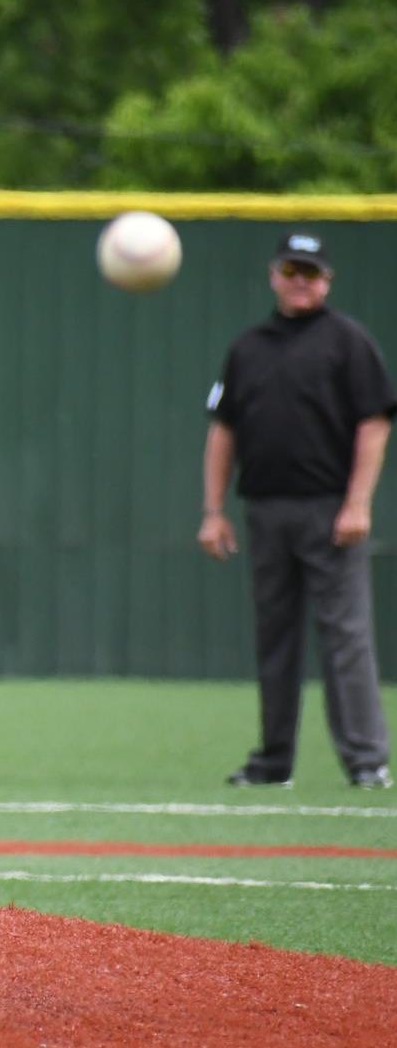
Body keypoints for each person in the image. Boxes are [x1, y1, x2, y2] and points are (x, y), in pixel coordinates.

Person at [199, 231, 395, 790]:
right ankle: (273, 761)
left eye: (310, 272)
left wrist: (357, 502)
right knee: (275, 638)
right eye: (291, 271)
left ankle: (366, 760)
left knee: (346, 637)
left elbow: (374, 423)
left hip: (330, 511)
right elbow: (223, 431)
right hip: (266, 509)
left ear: (327, 280)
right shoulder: (248, 348)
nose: (300, 281)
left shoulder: (347, 341)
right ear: (273, 275)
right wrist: (213, 510)